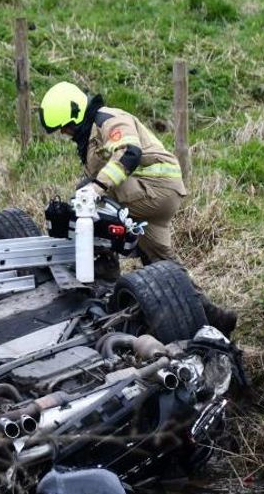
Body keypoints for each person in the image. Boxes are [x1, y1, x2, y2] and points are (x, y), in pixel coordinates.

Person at [37, 81, 237, 335]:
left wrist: (96, 186)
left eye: (64, 127)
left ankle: (104, 273)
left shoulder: (109, 120)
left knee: (86, 199)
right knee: (161, 264)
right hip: (148, 197)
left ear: (76, 115)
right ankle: (213, 316)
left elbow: (129, 153)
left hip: (156, 189)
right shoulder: (91, 136)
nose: (64, 133)